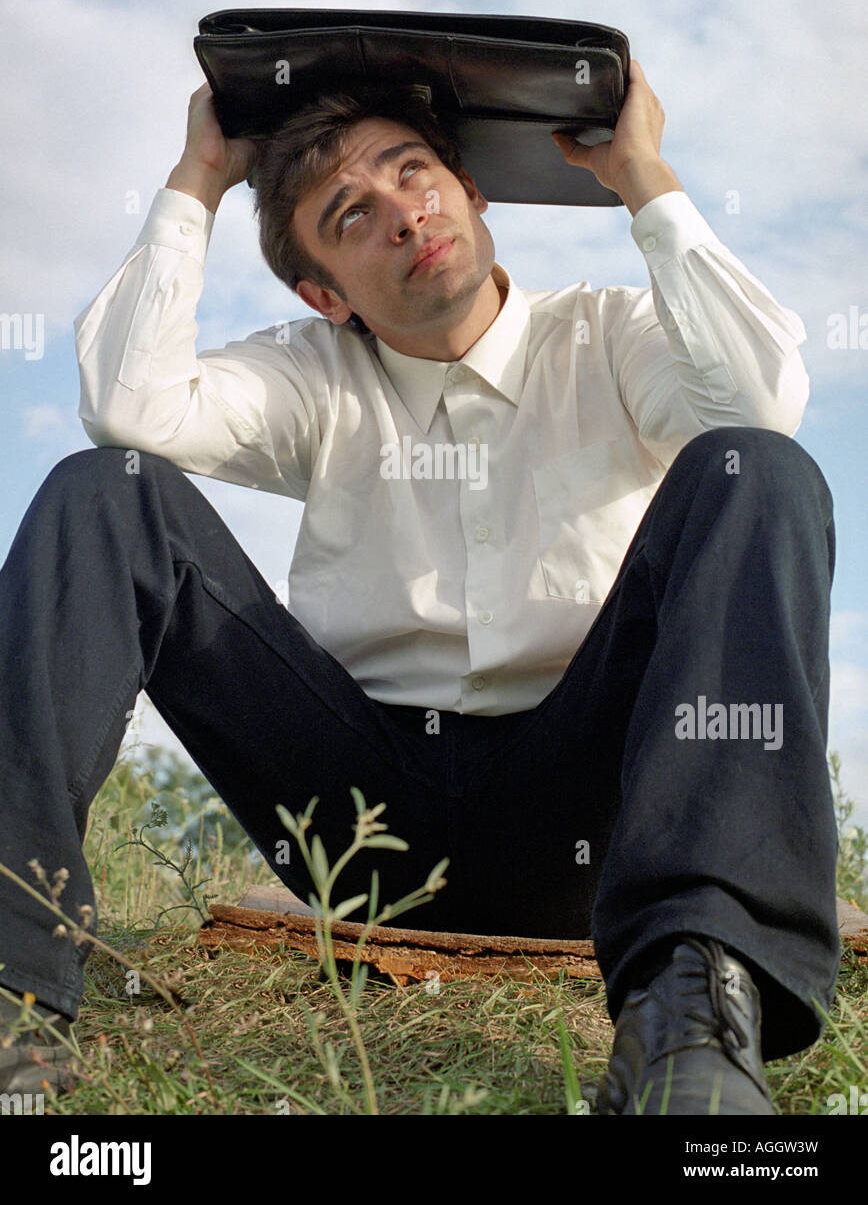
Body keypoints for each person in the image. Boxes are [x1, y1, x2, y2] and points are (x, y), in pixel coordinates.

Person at [0, 60, 838, 1114]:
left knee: (751, 467)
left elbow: (760, 402)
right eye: (353, 213)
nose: (404, 213)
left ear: (473, 191)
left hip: (582, 810)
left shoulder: (609, 335)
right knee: (103, 490)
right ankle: (11, 1002)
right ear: (324, 293)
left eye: (415, 172)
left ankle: (688, 1020)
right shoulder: (311, 374)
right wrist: (198, 179)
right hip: (358, 821)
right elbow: (128, 409)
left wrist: (643, 180)